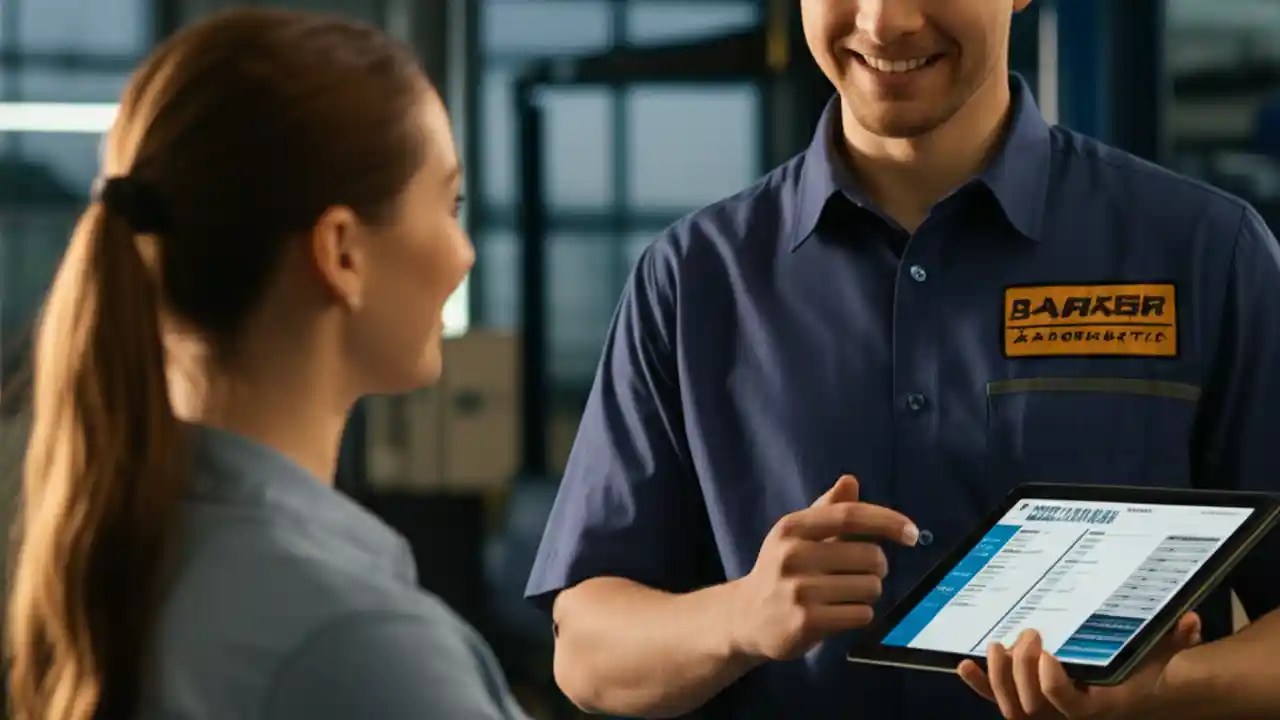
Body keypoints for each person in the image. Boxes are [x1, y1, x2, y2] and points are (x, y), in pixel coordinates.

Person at [525, 0, 1280, 718]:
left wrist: (1164, 691)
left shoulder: (1204, 256)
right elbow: (588, 653)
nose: (885, 22)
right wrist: (741, 616)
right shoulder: (695, 280)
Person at [5, 8, 527, 720]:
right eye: (449, 204)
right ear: (342, 252)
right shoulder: (356, 644)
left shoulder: (114, 547)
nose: (463, 254)